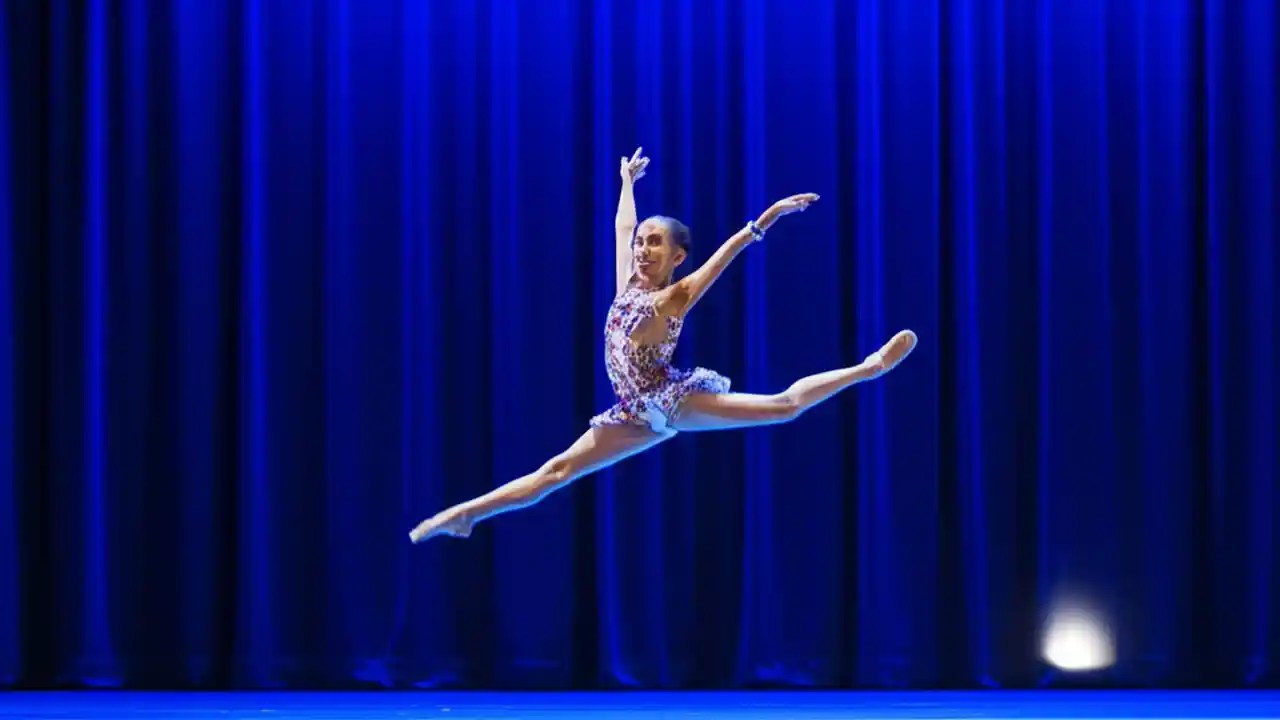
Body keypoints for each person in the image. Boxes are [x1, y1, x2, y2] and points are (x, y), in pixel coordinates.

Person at [409, 148, 916, 543]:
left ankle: (868, 367)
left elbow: (717, 265)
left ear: (677, 256)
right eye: (641, 243)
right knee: (555, 472)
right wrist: (627, 184)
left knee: (783, 407)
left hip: (669, 401)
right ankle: (466, 515)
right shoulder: (626, 285)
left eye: (656, 243)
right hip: (629, 411)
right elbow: (622, 226)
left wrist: (762, 223)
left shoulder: (672, 298)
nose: (642, 248)